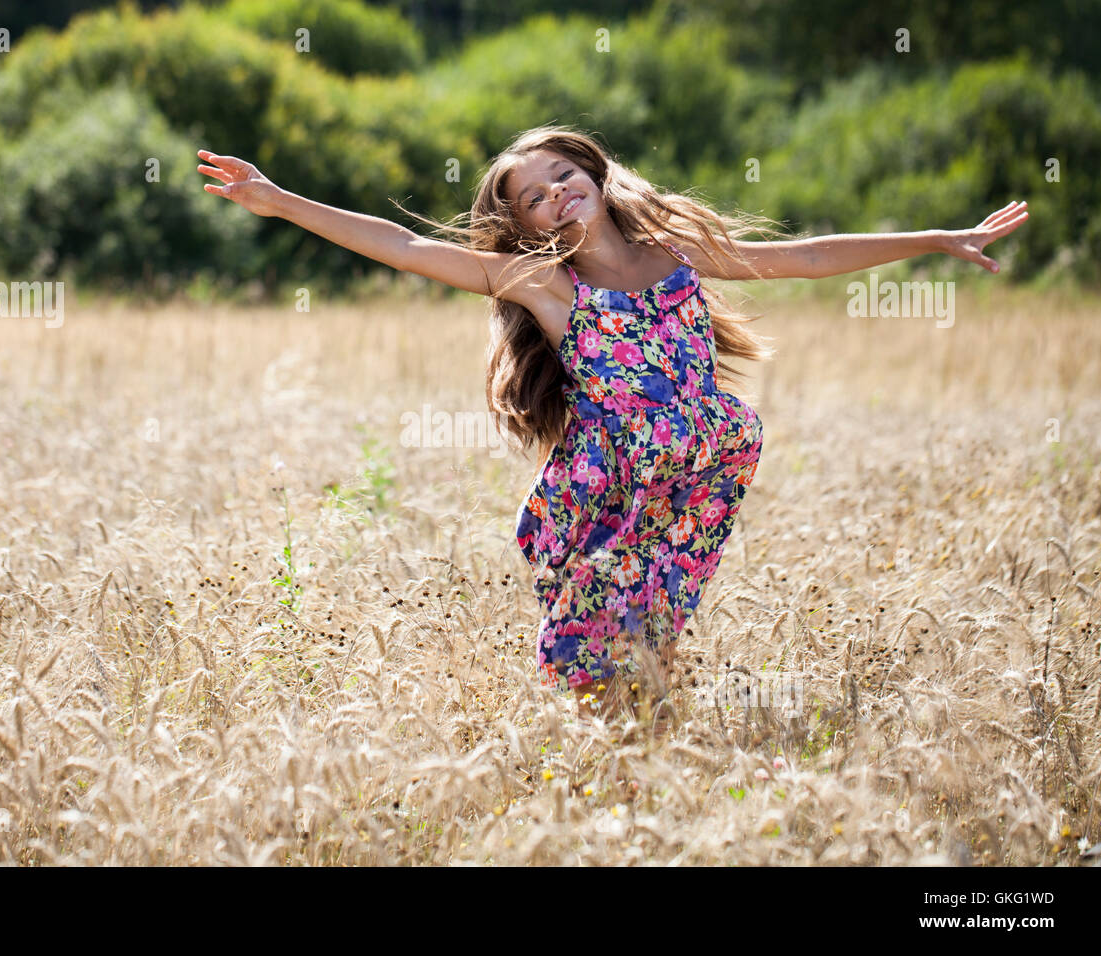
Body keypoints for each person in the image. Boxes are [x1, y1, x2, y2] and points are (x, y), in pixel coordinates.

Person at [197, 124, 1028, 723]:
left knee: (652, 616)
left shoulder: (679, 253)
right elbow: (407, 247)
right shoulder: (541, 284)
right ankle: (628, 746)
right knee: (592, 634)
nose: (556, 192)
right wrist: (280, 200)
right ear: (522, 226)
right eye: (533, 196)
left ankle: (649, 732)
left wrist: (938, 239)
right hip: (609, 481)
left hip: (700, 462)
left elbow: (808, 257)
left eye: (563, 173)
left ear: (591, 171)